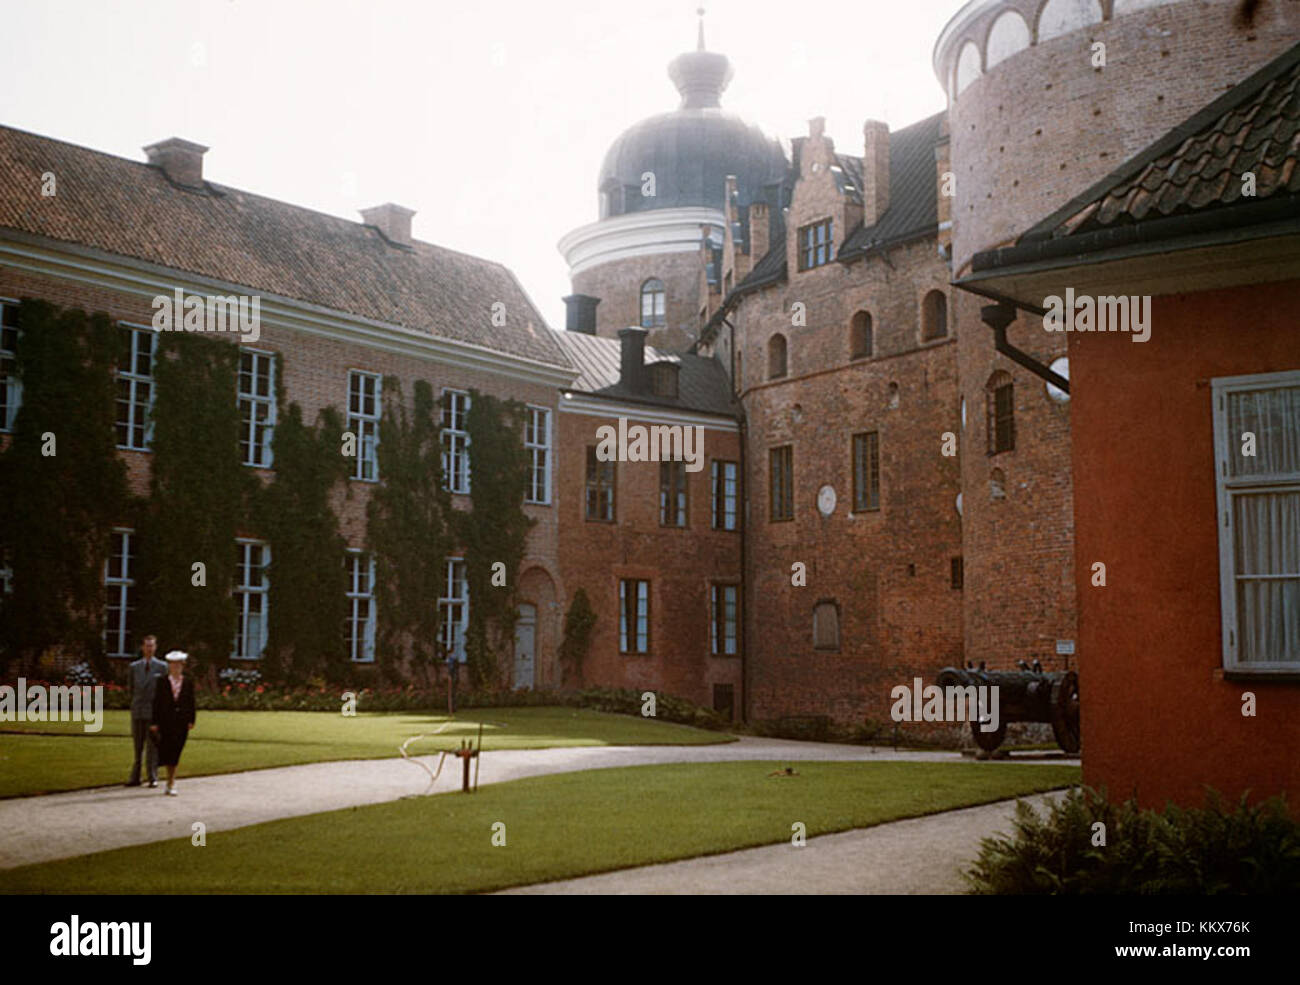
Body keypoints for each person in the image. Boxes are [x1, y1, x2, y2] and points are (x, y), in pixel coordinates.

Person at [150, 650, 196, 796]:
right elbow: (156, 702)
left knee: (176, 751)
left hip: (181, 722)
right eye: (173, 664)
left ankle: (171, 782)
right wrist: (154, 722)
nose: (176, 667)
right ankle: (169, 781)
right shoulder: (162, 682)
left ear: (183, 665)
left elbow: (191, 702)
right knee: (168, 751)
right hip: (166, 721)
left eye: (179, 664)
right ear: (169, 665)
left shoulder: (188, 682)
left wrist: (191, 719)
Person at [125, 634, 166, 788]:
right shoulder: (134, 667)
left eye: (152, 645)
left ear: (155, 648)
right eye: (147, 645)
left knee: (152, 747)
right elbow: (131, 688)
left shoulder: (162, 667)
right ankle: (135, 777)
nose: (149, 648)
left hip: (153, 712)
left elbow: (164, 692)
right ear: (142, 647)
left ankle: (152, 776)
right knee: (137, 746)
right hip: (137, 710)